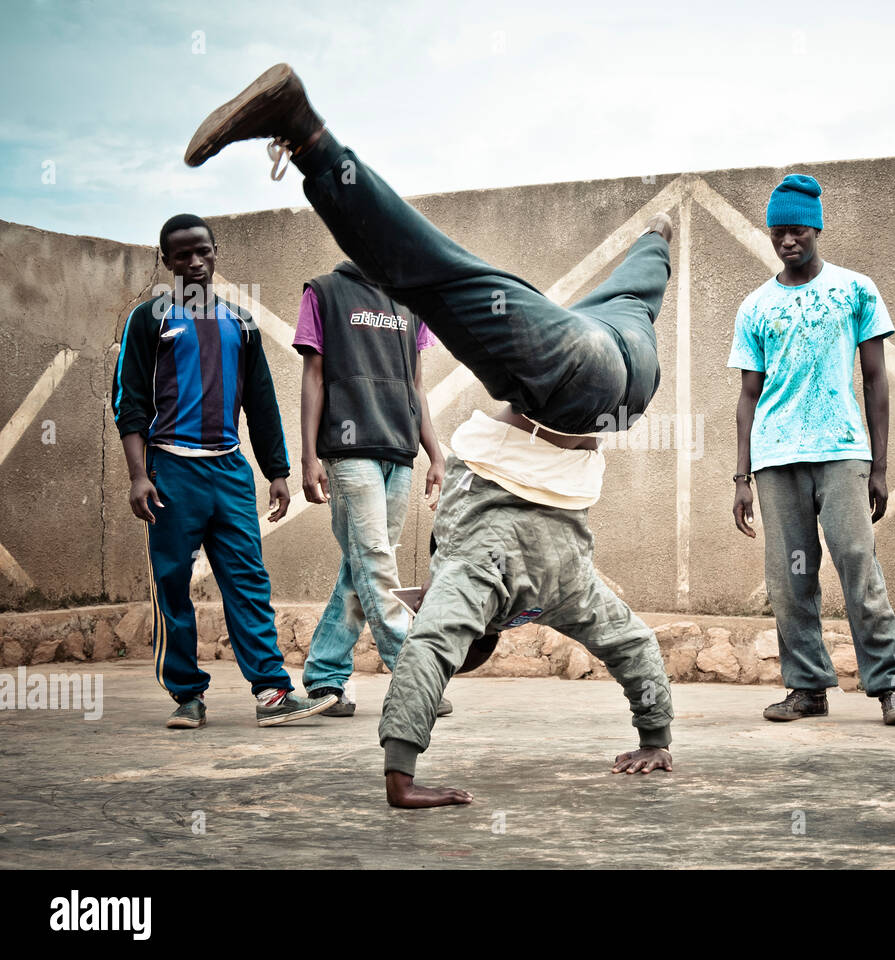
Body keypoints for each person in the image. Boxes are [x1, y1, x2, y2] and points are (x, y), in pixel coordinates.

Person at [184, 64, 676, 807]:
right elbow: (428, 653)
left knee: (630, 294)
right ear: (476, 621)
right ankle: (308, 133)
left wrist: (656, 737)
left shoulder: (565, 587)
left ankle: (657, 245)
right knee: (430, 277)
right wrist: (399, 773)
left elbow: (634, 645)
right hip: (577, 378)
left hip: (628, 381)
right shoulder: (474, 573)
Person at [112, 213, 338, 728]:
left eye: (203, 252)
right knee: (172, 583)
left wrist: (277, 470)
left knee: (248, 581)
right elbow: (128, 404)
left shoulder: (242, 322)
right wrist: (138, 475)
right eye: (182, 255)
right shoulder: (149, 319)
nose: (194, 262)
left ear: (216, 253)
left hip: (231, 472)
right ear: (165, 260)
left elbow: (261, 402)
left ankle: (273, 695)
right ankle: (187, 696)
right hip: (170, 471)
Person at [730, 175, 895, 726]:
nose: (788, 241)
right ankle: (807, 688)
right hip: (774, 456)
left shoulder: (856, 290)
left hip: (842, 451)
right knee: (790, 580)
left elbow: (876, 379)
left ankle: (891, 686)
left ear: (816, 228)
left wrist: (879, 465)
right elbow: (747, 395)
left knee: (858, 563)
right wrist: (740, 477)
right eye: (779, 232)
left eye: (798, 230)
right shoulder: (756, 306)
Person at [295, 260, 452, 718]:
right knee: (377, 563)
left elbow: (417, 387)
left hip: (400, 454)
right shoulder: (323, 292)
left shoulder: (410, 300)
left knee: (362, 566)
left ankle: (324, 675)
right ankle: (415, 677)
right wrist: (309, 457)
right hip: (349, 452)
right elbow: (314, 377)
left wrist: (435, 454)